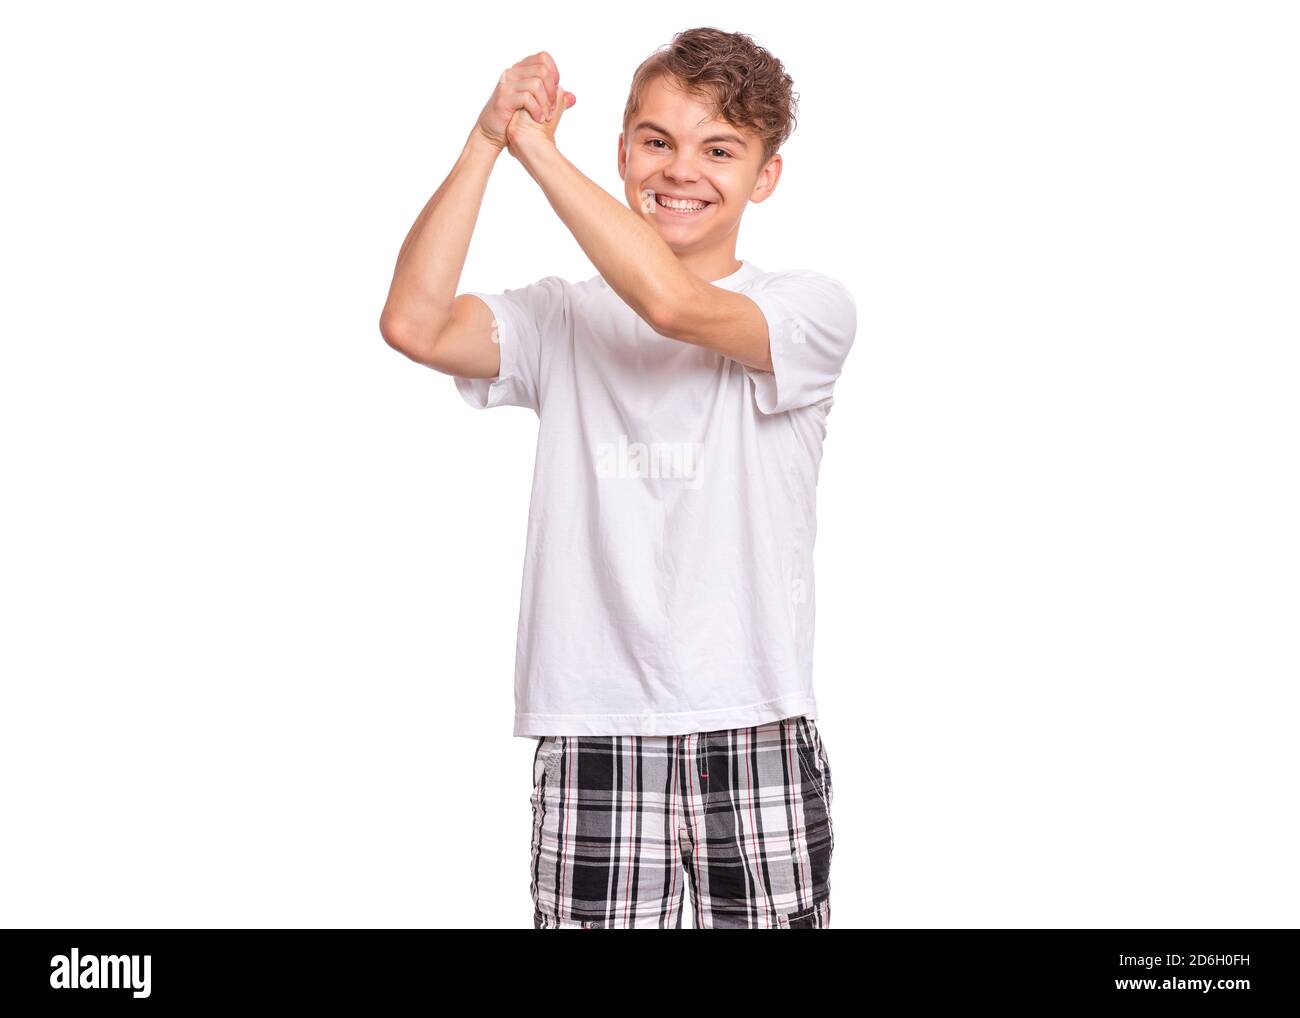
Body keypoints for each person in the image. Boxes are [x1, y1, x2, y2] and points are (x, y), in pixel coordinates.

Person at [380, 27, 855, 929]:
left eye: (720, 149)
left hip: (751, 721)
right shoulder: (560, 319)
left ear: (766, 176)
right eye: (657, 141)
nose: (682, 172)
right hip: (593, 723)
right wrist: (488, 139)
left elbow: (672, 305)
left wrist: (538, 153)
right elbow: (412, 322)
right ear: (624, 147)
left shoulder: (808, 308)